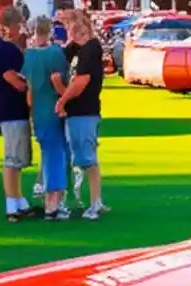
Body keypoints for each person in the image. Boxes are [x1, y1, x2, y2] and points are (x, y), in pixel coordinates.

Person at [54, 13, 107, 220]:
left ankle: (95, 203)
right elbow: (62, 56)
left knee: (87, 159)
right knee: (85, 157)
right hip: (79, 111)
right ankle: (94, 201)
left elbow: (81, 81)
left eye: (69, 27)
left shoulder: (90, 49)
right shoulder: (78, 48)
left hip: (85, 111)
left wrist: (62, 98)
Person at [24, 16, 71, 220]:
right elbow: (62, 84)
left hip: (38, 112)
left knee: (47, 153)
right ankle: (54, 202)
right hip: (55, 108)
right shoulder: (55, 54)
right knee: (57, 154)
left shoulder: (28, 56)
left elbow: (29, 93)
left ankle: (48, 198)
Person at [0, 6, 32, 222]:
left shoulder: (0, 46)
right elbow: (12, 79)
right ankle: (11, 204)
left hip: (13, 108)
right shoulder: (2, 49)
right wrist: (28, 82)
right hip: (11, 108)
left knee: (17, 158)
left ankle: (18, 199)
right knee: (13, 159)